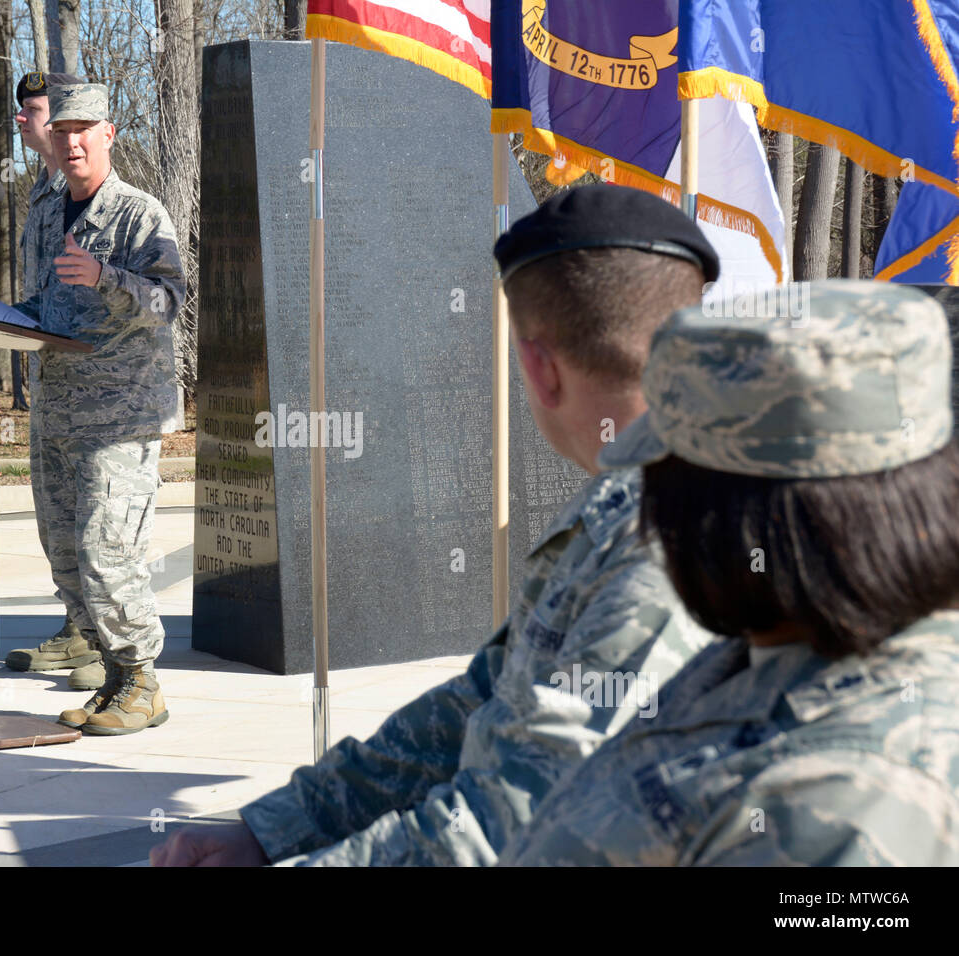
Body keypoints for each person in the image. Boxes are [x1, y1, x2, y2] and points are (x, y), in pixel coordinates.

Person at [151, 185, 719, 866]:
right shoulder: (636, 501)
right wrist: (273, 831)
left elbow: (522, 822)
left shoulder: (674, 543)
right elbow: (478, 705)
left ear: (538, 368)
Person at [497, 280, 959, 866]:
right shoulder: (777, 659)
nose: (649, 523)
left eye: (658, 485)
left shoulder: (841, 803)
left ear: (726, 516)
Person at [10, 82, 185, 735]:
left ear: (110, 134)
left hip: (119, 418)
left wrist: (107, 278)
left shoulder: (139, 215)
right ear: (51, 140)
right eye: (63, 130)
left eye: (86, 128)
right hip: (56, 413)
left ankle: (143, 682)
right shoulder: (47, 215)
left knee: (105, 550)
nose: (74, 140)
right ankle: (114, 680)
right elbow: (41, 309)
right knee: (64, 554)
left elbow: (169, 301)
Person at [2, 70, 102, 680]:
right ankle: (76, 625)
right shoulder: (42, 192)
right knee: (56, 516)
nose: (22, 119)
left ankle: (108, 641)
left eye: (34, 109)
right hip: (52, 383)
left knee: (100, 521)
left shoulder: (95, 193)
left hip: (101, 390)